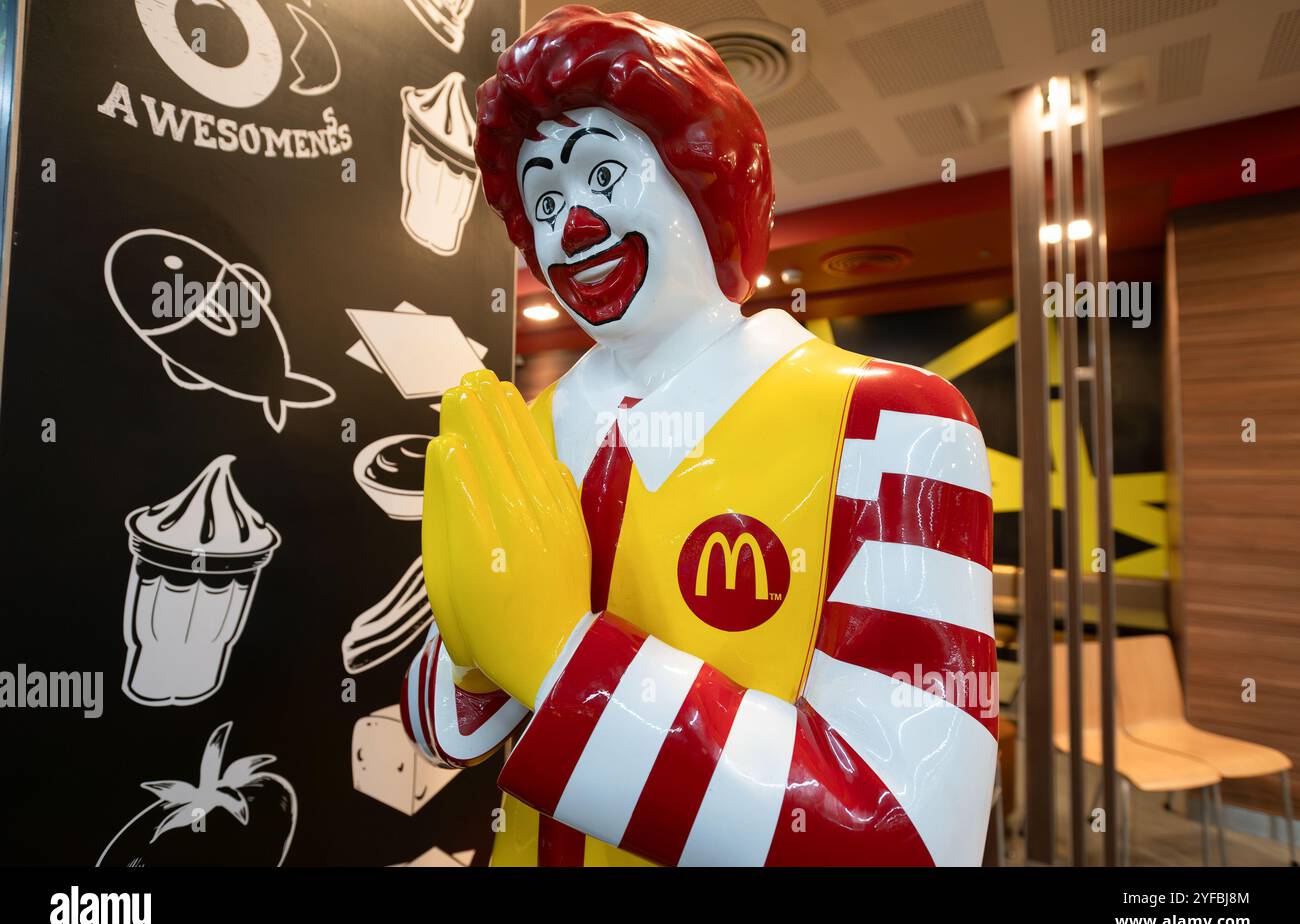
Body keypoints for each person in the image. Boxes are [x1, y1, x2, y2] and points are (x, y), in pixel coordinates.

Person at [402, 4, 997, 867]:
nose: (571, 227)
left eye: (603, 175)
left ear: (702, 181)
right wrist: (468, 652)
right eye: (545, 198)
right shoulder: (524, 431)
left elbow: (907, 834)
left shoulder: (894, 423)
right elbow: (440, 735)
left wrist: (561, 659)